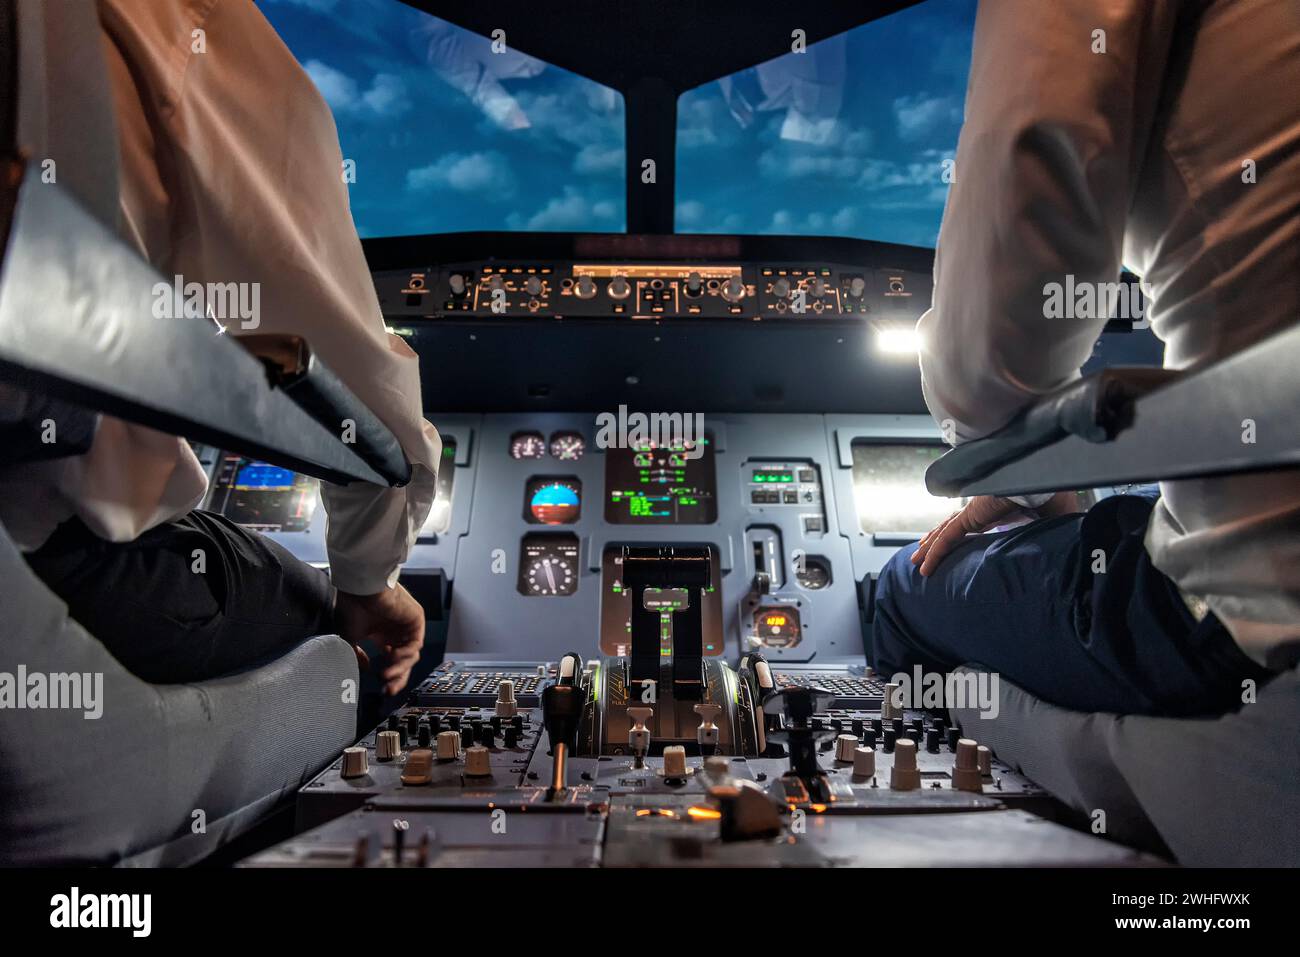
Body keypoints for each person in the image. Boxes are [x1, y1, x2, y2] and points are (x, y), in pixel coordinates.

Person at [872, 0, 1299, 717]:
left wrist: (1021, 473)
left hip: (1250, 592)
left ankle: (916, 789)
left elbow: (1029, 180)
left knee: (900, 586)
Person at [0, 0, 439, 694]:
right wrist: (366, 580)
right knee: (329, 622)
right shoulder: (184, 27)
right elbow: (369, 402)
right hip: (59, 555)